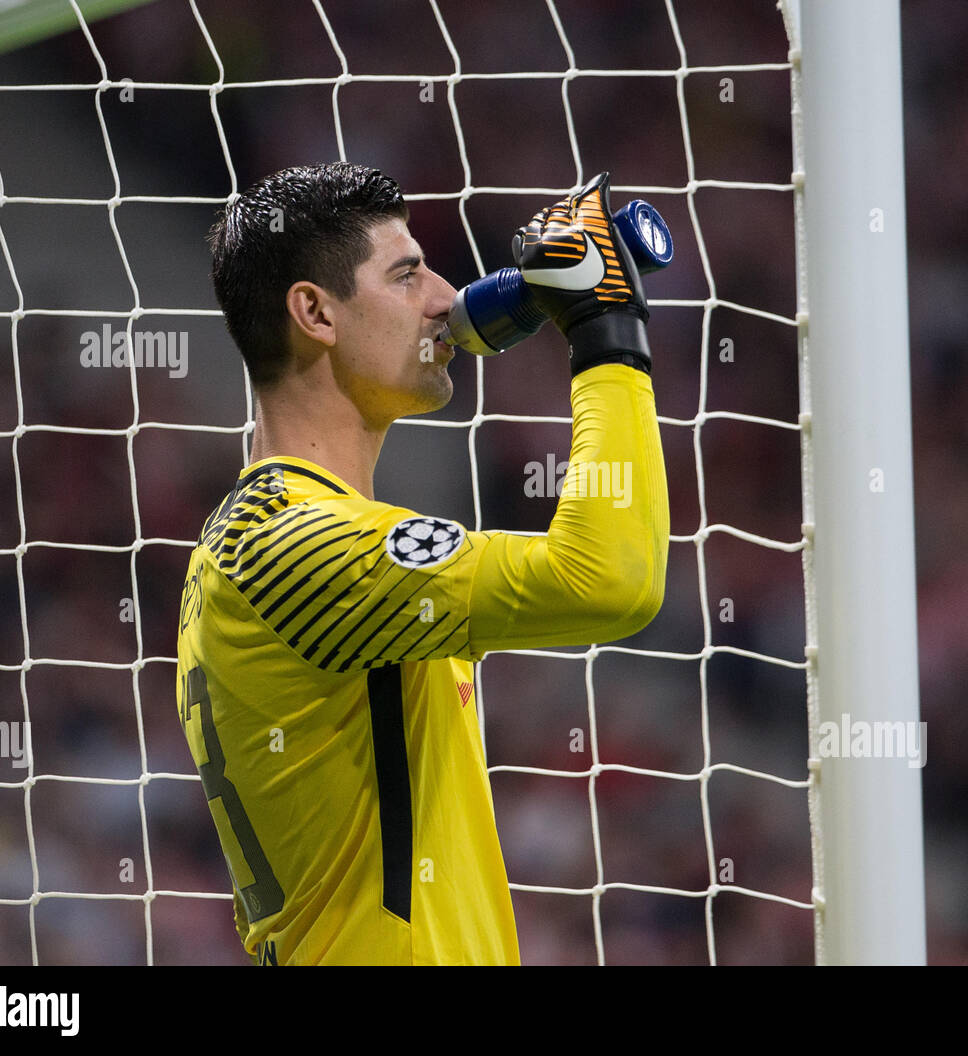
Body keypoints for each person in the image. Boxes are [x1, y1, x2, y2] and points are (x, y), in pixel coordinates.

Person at [175, 162, 669, 965]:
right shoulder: (291, 543)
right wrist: (607, 333)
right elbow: (610, 578)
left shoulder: (271, 535)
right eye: (407, 275)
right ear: (315, 313)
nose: (445, 297)